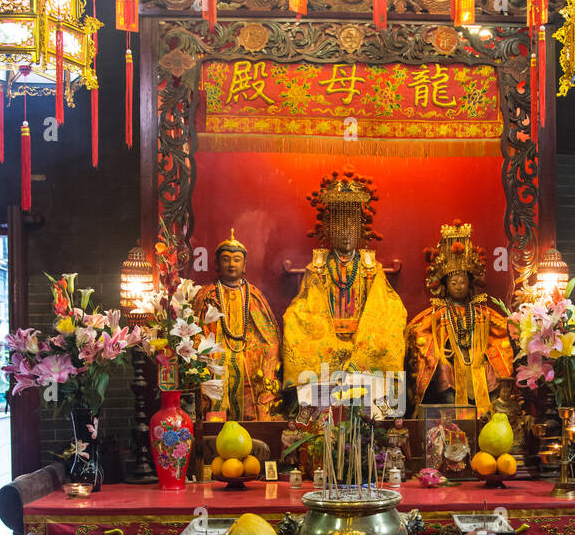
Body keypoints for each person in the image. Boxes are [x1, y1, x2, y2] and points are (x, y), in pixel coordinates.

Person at [282, 172, 407, 399]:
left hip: (363, 342)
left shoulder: (371, 268)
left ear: (360, 231)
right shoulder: (318, 268)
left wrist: (360, 347)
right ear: (329, 231)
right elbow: (303, 312)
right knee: (292, 321)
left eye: (351, 229)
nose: (346, 235)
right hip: (326, 344)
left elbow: (386, 311)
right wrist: (330, 343)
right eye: (340, 229)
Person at [406, 220, 514, 416]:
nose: (458, 286)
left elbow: (502, 330)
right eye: (453, 282)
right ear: (445, 285)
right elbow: (421, 335)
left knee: (489, 374)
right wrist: (439, 357)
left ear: (470, 284)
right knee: (444, 374)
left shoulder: (482, 313)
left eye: (462, 281)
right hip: (452, 366)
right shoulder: (438, 314)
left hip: (478, 363)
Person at [194, 229, 282, 420]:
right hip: (217, 358)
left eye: (236, 259)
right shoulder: (207, 295)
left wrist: (261, 355)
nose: (231, 264)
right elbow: (198, 334)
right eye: (226, 259)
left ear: (244, 265)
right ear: (217, 264)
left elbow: (269, 337)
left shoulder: (254, 296)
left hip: (248, 357)